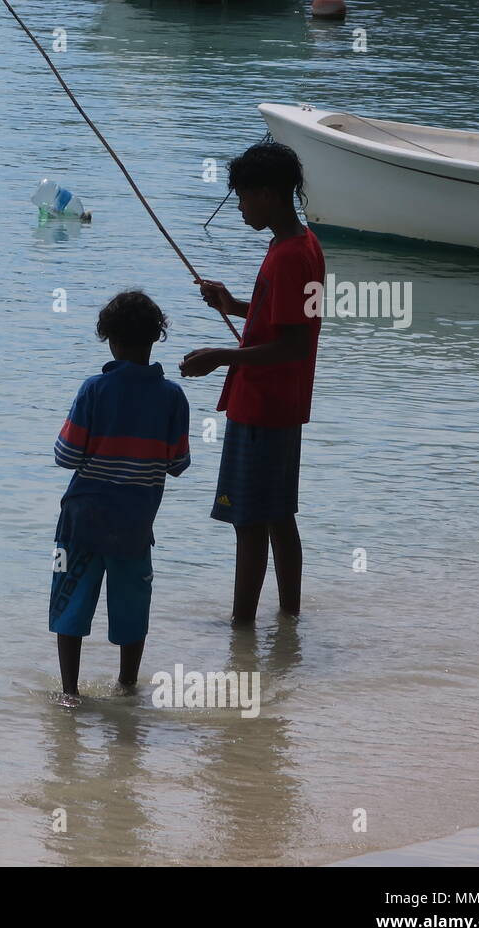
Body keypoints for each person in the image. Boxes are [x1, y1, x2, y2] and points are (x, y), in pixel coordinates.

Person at [179, 142, 325, 626]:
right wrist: (234, 305)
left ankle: (240, 628)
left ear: (268, 194)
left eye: (243, 197)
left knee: (248, 521)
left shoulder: (289, 256)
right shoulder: (303, 244)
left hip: (262, 405)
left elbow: (294, 345)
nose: (239, 207)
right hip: (283, 404)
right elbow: (287, 321)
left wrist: (221, 356)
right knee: (279, 516)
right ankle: (288, 620)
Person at [51, 290, 190, 703]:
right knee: (133, 607)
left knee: (69, 601)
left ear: (110, 340)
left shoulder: (93, 389)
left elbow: (66, 455)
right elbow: (178, 463)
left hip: (81, 521)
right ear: (155, 337)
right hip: (135, 524)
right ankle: (127, 687)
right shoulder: (172, 397)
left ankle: (70, 693)